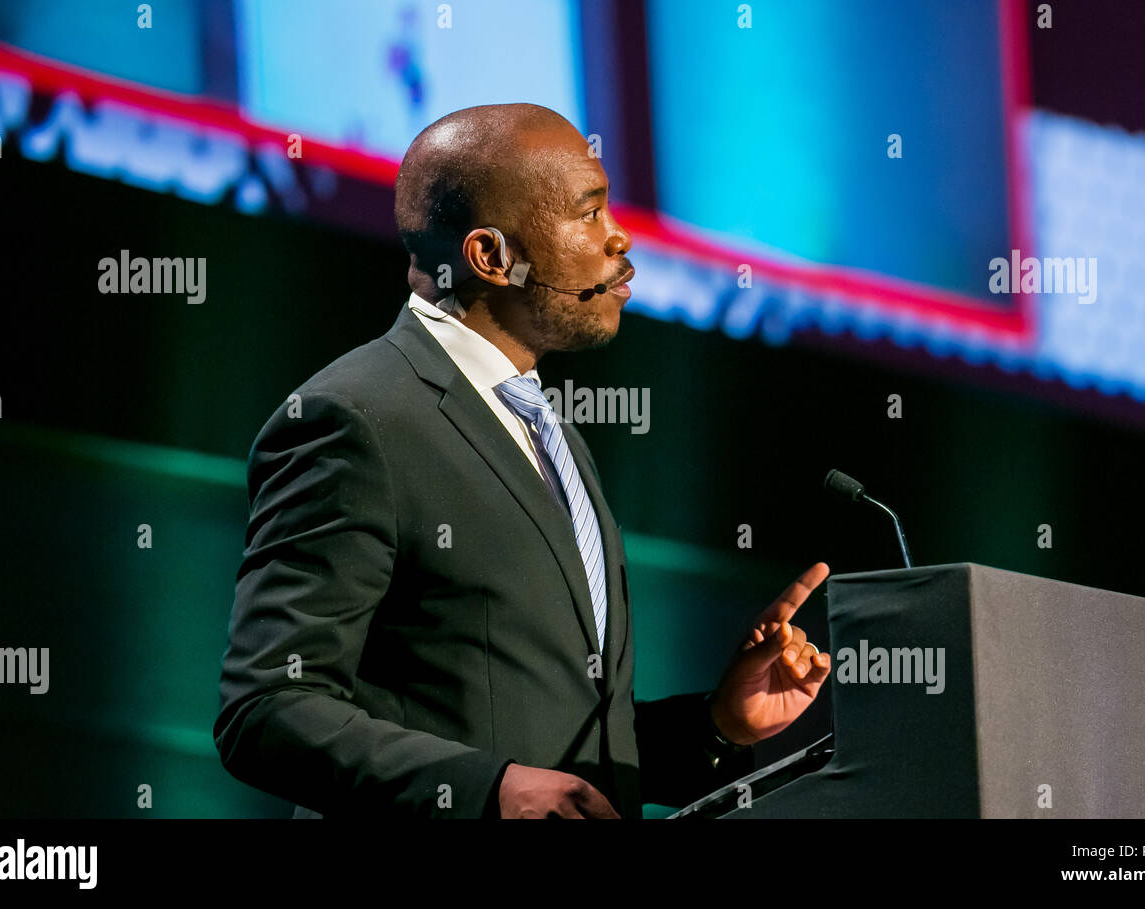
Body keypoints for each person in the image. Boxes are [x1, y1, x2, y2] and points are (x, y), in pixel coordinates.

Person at [214, 103, 832, 818]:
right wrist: (488, 790)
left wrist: (717, 724)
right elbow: (265, 708)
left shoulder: (547, 429)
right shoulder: (354, 420)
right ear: (490, 256)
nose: (620, 236)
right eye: (589, 213)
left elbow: (556, 739)